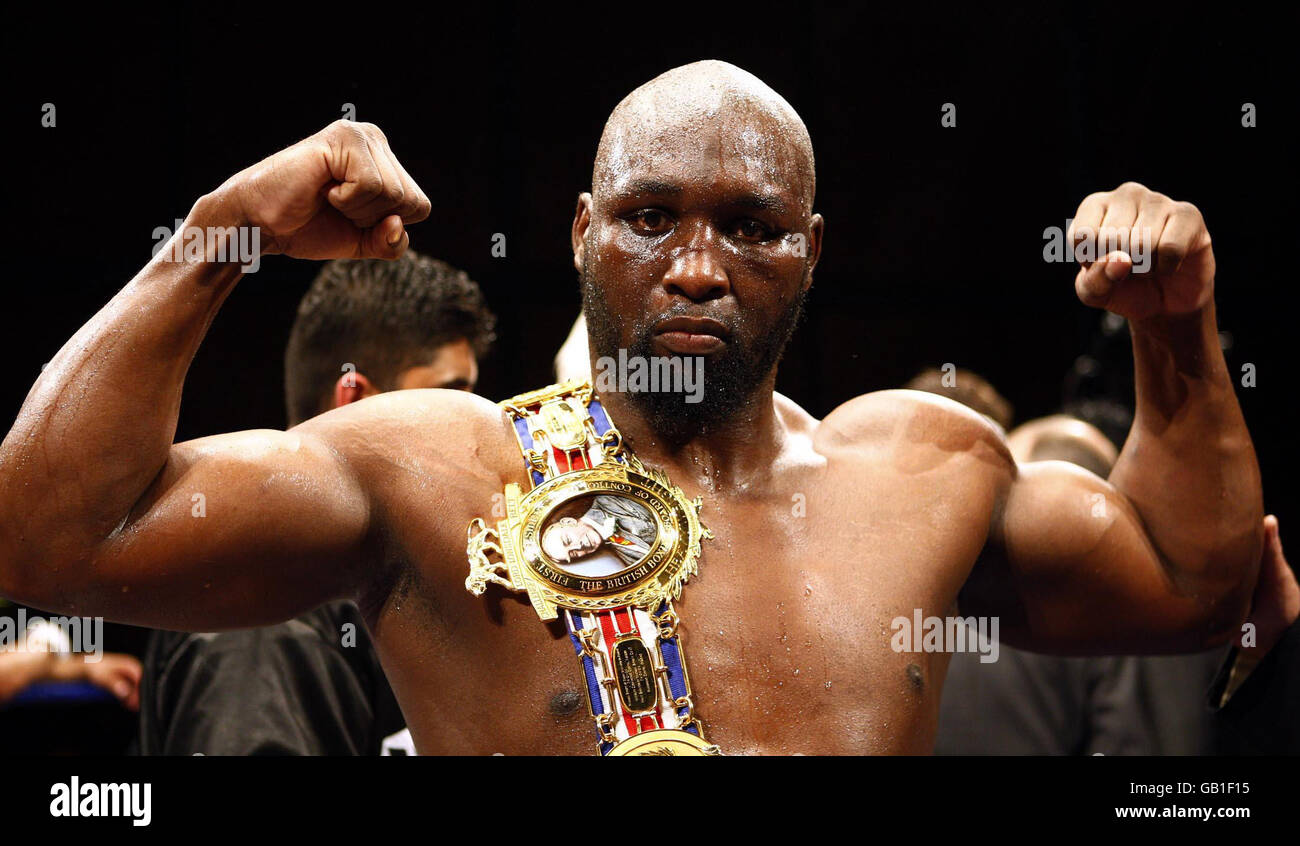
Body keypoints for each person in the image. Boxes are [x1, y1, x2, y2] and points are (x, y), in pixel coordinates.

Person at [0, 61, 1264, 755]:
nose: (700, 267)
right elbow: (56, 536)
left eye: (752, 227)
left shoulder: (919, 470)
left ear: (813, 249)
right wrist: (218, 235)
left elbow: (1189, 587)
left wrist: (1176, 329)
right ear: (581, 233)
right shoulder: (431, 468)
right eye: (652, 218)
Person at [138, 252, 495, 755]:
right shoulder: (265, 613)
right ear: (354, 400)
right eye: (450, 403)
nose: (475, 438)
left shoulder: (379, 586)